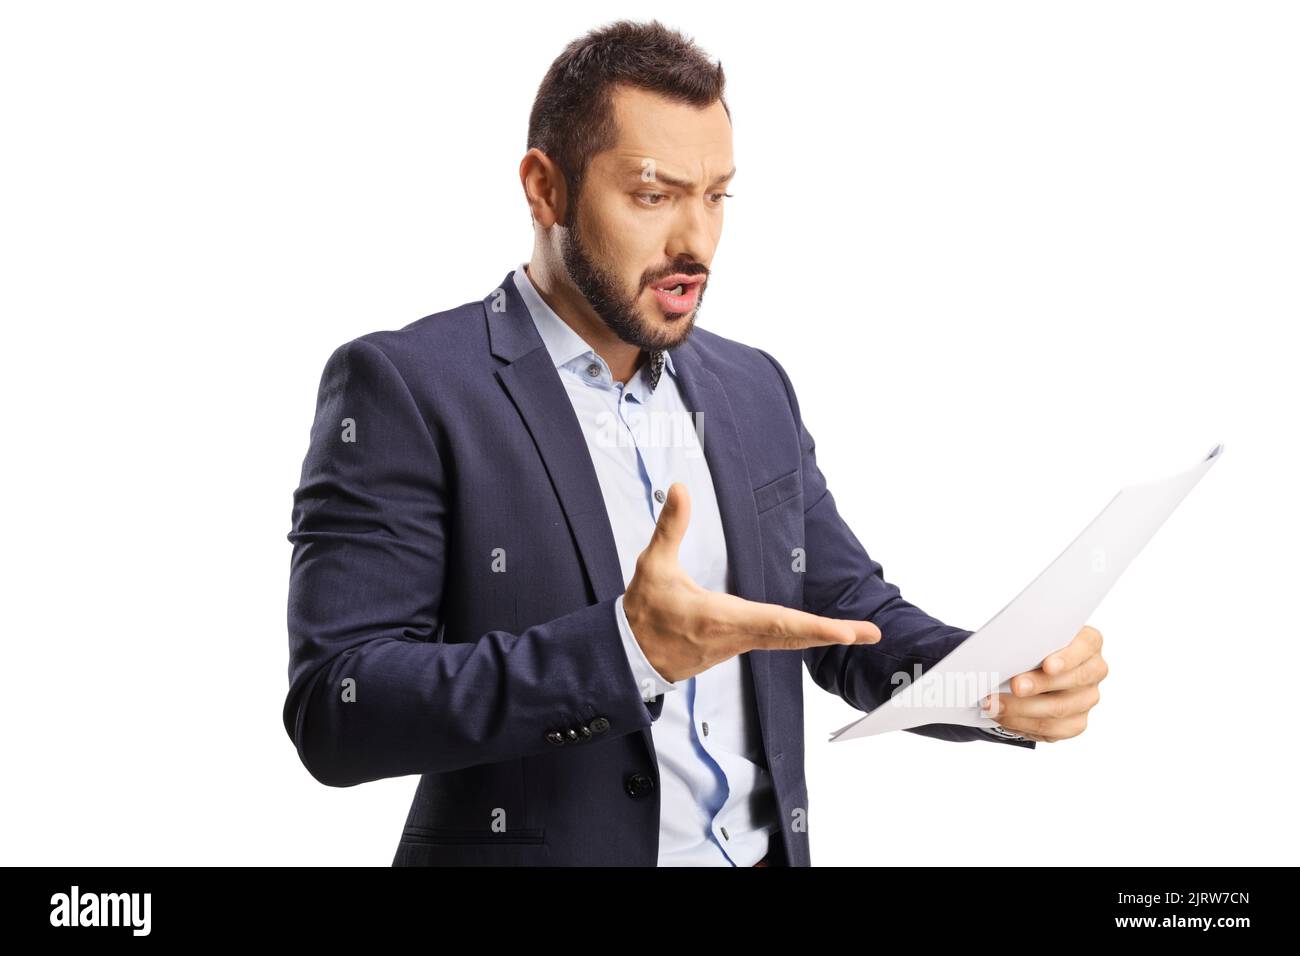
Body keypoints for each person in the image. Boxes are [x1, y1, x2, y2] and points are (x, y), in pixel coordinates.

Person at [282, 18, 1108, 867]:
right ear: (545, 190)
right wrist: (625, 651)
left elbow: (845, 616)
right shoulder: (407, 386)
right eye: (653, 195)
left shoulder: (753, 389)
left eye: (716, 196)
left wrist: (992, 683)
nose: (696, 242)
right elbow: (337, 710)